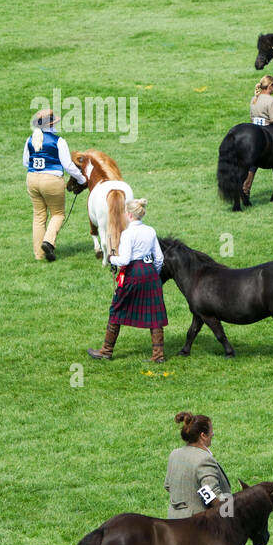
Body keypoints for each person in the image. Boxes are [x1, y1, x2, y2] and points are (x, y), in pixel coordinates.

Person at [161, 411, 230, 545]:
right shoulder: (204, 459)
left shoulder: (175, 454)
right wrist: (228, 507)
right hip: (197, 525)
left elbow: (168, 486)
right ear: (202, 435)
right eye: (211, 431)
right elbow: (210, 492)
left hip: (174, 521)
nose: (213, 435)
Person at [88, 197, 169, 362]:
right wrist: (153, 274)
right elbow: (159, 258)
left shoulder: (127, 234)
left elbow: (124, 260)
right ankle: (158, 355)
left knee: (116, 309)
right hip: (151, 273)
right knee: (155, 314)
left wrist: (111, 259)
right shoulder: (151, 231)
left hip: (134, 273)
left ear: (130, 215)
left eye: (125, 212)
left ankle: (106, 351)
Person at [23, 109, 86, 261]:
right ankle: (48, 242)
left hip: (32, 179)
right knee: (58, 214)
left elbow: (26, 162)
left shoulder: (30, 139)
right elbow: (68, 165)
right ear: (51, 124)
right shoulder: (59, 141)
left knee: (39, 216)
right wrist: (82, 178)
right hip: (51, 180)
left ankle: (39, 255)